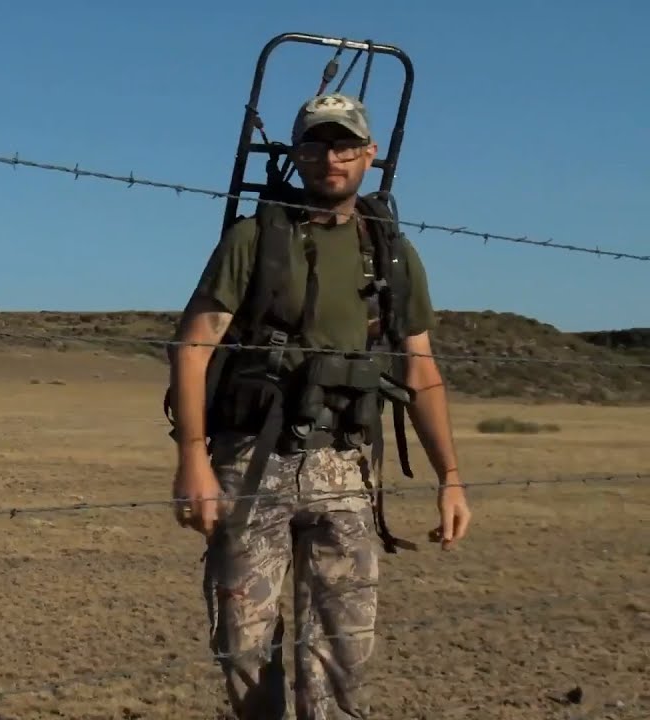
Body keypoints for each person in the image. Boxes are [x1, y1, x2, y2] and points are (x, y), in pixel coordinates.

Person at [167, 92, 472, 718]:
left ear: (370, 152)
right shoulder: (256, 239)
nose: (331, 158)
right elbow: (193, 348)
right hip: (252, 463)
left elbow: (420, 368)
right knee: (243, 639)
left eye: (345, 145)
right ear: (298, 154)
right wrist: (193, 458)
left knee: (343, 646)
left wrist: (450, 476)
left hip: (347, 469)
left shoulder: (391, 251)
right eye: (316, 145)